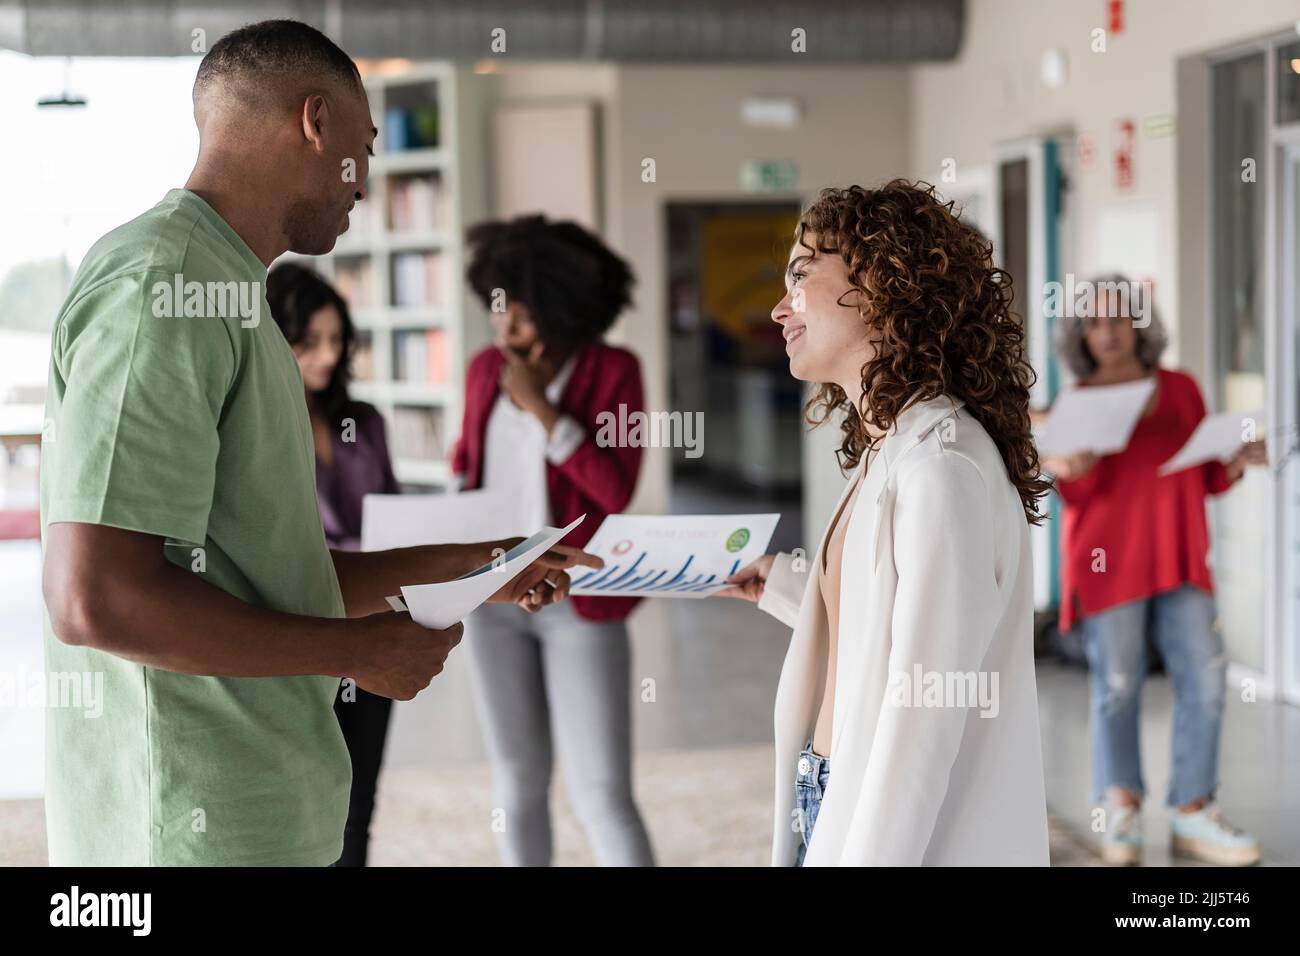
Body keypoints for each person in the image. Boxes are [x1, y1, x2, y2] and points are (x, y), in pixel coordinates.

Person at [39, 20, 597, 867]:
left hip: (261, 813)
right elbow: (96, 598)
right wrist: (356, 652)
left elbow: (271, 578)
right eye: (364, 148)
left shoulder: (232, 291)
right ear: (314, 122)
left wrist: (483, 564)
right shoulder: (166, 285)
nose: (365, 181)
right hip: (185, 831)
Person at [718, 180, 1052, 866]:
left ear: (882, 284)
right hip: (831, 789)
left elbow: (921, 726)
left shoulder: (940, 468)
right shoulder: (895, 449)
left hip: (878, 812)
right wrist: (791, 587)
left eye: (802, 275)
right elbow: (890, 625)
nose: (780, 308)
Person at [451, 215, 655, 866]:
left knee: (602, 795)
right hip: (495, 601)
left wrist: (543, 410)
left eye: (522, 315)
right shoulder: (485, 369)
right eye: (497, 311)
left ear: (566, 309)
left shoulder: (615, 370)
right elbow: (469, 465)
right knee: (517, 782)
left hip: (582, 598)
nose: (504, 331)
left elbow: (613, 488)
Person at [1042, 275, 1267, 866]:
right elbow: (1077, 495)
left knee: (1208, 682)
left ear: (1140, 325)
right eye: (1095, 322)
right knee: (1116, 687)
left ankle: (1194, 812)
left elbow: (1207, 475)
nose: (1108, 332)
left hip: (1180, 557)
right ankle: (1121, 810)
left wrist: (1237, 459)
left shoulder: (1181, 389)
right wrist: (1076, 465)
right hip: (1108, 561)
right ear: (1081, 334)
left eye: (1119, 319)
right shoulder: (1075, 401)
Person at [267, 263, 398, 867]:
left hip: (372, 617)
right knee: (295, 811)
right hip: (298, 629)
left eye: (336, 340)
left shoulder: (365, 422)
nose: (326, 356)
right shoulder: (258, 428)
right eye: (308, 341)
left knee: (358, 806)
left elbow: (394, 519)